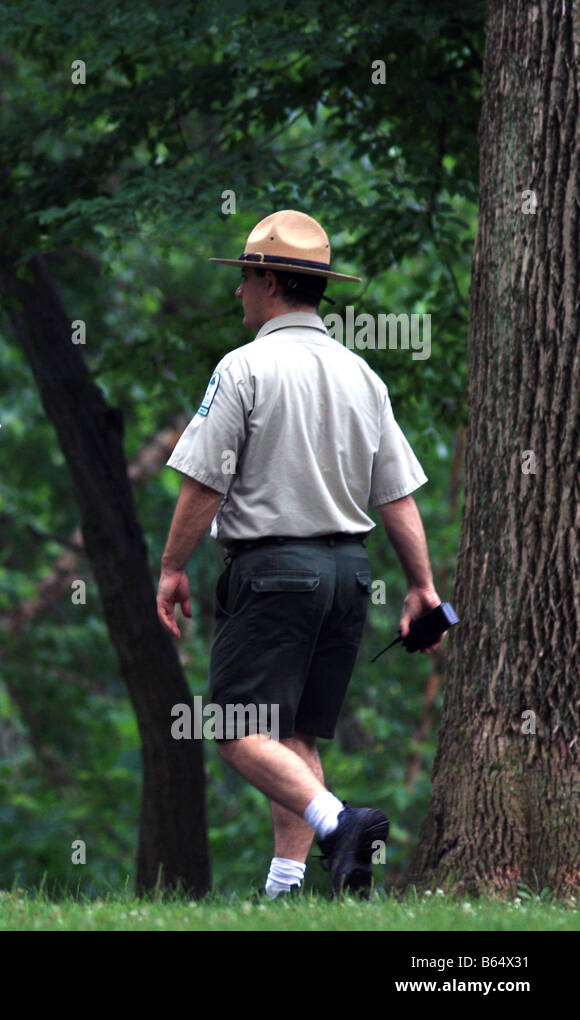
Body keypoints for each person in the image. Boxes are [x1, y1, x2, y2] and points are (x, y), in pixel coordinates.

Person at [155, 210, 446, 898]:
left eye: (244, 279)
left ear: (268, 281)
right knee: (295, 734)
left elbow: (204, 481)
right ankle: (287, 887)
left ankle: (338, 821)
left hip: (274, 571)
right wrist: (422, 587)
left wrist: (170, 567)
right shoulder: (360, 375)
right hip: (349, 574)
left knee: (233, 727)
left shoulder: (245, 367)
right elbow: (396, 495)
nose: (237, 295)